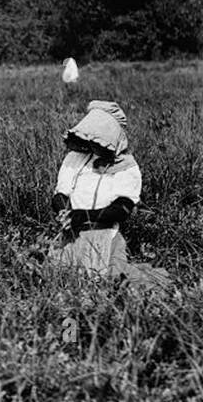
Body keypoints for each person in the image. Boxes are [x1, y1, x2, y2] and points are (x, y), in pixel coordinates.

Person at [44, 101, 169, 289]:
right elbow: (60, 193)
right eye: (92, 140)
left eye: (99, 141)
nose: (94, 145)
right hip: (72, 234)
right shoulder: (74, 158)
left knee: (112, 281)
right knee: (58, 276)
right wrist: (64, 211)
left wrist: (84, 216)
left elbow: (122, 208)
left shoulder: (127, 166)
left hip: (106, 236)